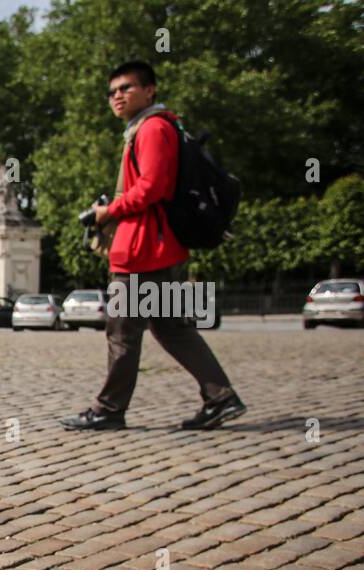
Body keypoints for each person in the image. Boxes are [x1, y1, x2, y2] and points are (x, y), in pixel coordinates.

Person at [62, 60, 243, 432]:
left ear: (150, 90)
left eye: (126, 88)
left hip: (143, 249)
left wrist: (106, 212)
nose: (117, 96)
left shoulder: (153, 128)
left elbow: (151, 188)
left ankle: (109, 409)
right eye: (112, 91)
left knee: (122, 332)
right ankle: (221, 397)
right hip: (159, 246)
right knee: (172, 327)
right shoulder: (154, 128)